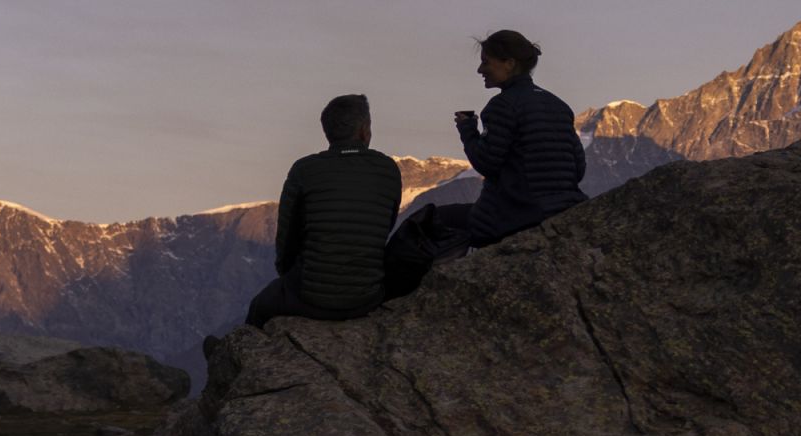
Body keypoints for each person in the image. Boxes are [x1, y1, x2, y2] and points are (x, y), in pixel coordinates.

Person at [383, 28, 588, 296]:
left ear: (509, 64)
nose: (481, 70)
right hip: (563, 209)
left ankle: (415, 298)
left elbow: (487, 163)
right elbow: (579, 167)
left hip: (515, 215)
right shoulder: (559, 106)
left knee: (432, 222)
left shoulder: (502, 106)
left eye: (486, 62)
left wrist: (468, 130)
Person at [246, 93, 402, 328]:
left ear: (327, 132)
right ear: (364, 129)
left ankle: (232, 358)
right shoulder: (387, 169)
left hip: (311, 298)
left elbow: (287, 236)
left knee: (259, 306)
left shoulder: (304, 170)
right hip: (367, 298)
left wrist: (287, 277)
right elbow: (385, 227)